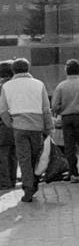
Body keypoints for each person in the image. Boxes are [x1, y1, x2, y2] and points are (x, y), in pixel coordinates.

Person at [0, 59, 52, 202]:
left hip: (19, 127)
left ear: (14, 70)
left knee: (24, 158)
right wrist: (49, 128)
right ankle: (34, 183)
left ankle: (28, 187)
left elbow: (3, 110)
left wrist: (11, 124)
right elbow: (46, 109)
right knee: (36, 157)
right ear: (28, 68)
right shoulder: (39, 84)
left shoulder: (7, 86)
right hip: (37, 127)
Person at [0, 61, 15, 191]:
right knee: (13, 154)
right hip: (18, 123)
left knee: (2, 154)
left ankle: (5, 183)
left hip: (4, 124)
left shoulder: (2, 87)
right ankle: (13, 180)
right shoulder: (17, 86)